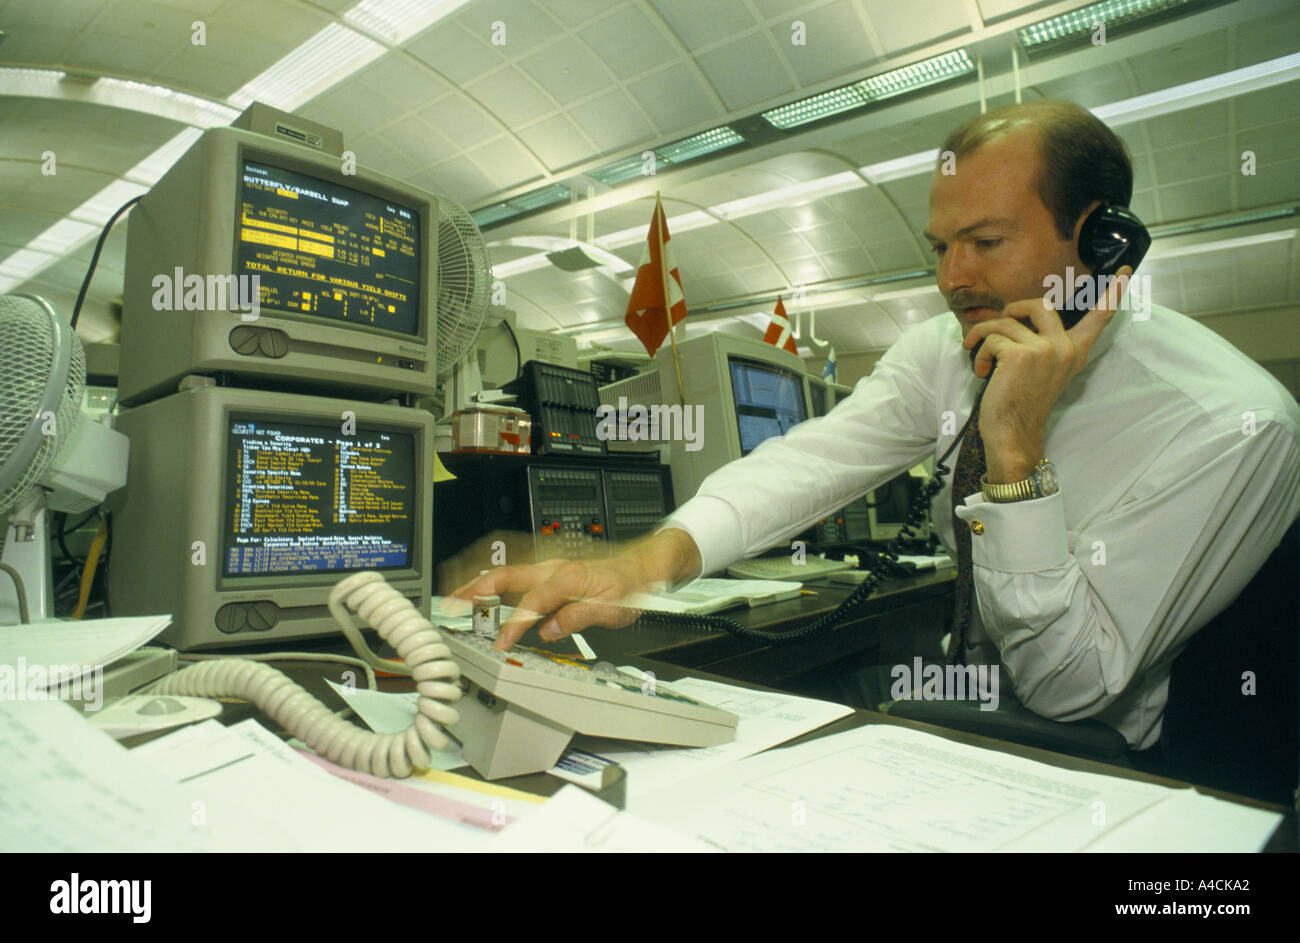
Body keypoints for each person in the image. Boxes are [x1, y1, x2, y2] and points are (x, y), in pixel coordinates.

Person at [452, 100, 1300, 751]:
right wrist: (639, 564)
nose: (951, 277)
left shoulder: (1232, 426)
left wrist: (1013, 452)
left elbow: (1070, 688)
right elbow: (808, 462)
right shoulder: (948, 347)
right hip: (955, 704)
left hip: (1093, 758)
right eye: (940, 247)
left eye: (986, 241)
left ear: (1101, 240)